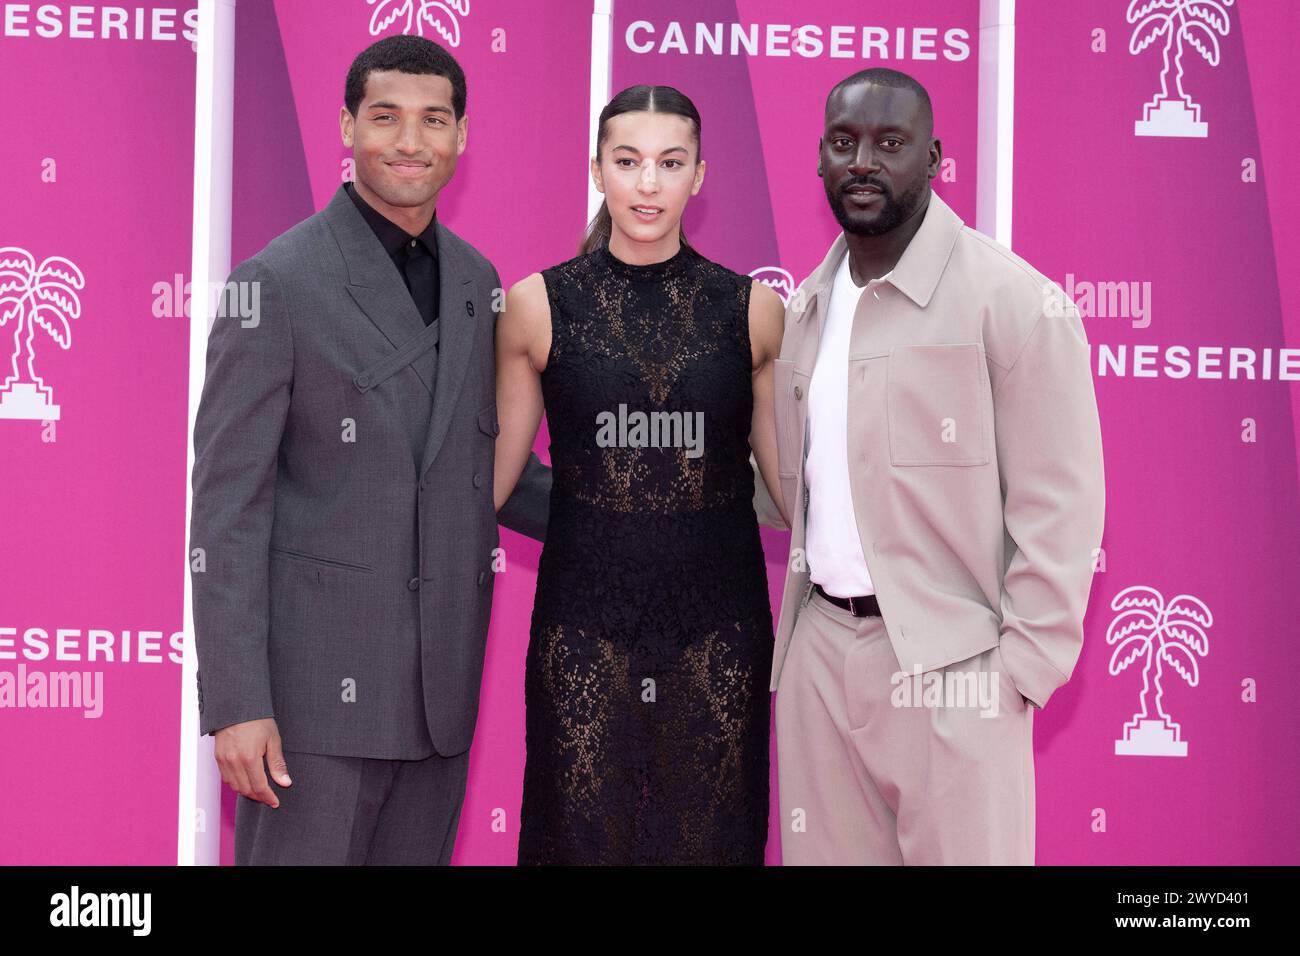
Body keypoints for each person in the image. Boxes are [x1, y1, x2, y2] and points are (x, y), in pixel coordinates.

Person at [189, 35, 550, 866]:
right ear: (346, 127)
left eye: (434, 120)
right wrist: (238, 702)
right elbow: (226, 510)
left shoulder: (476, 281)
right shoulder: (275, 282)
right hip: (311, 704)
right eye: (385, 118)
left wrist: (660, 520)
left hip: (439, 695)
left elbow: (491, 470)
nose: (411, 141)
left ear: (462, 136)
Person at [759, 68, 1104, 865]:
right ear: (819, 159)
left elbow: (1062, 499)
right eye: (844, 143)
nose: (865, 163)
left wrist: (1019, 672)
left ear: (935, 158)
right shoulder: (805, 307)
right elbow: (791, 486)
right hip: (818, 660)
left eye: (891, 143)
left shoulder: (1012, 301)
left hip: (957, 670)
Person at [493, 84, 788, 864]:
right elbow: (490, 481)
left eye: (670, 162)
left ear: (700, 175)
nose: (648, 184)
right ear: (598, 171)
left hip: (719, 632)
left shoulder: (753, 309)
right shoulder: (536, 305)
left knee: (710, 842)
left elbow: (792, 490)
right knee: (581, 840)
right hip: (583, 629)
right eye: (628, 162)